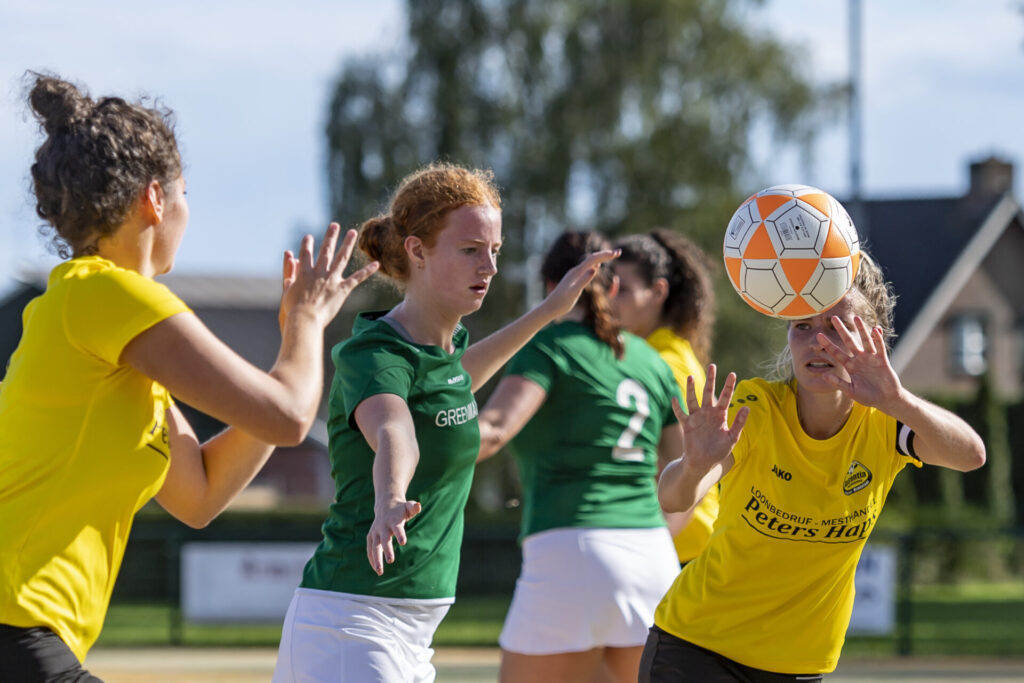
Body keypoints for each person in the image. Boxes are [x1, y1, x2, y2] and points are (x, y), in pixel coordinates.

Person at [0, 74, 378, 683]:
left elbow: (200, 494)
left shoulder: (106, 329)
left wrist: (293, 343)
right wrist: (306, 324)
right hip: (13, 630)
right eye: (185, 192)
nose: (186, 208)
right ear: (155, 198)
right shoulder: (107, 293)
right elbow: (286, 414)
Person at [271, 164, 617, 683]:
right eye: (471, 249)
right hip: (351, 621)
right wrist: (391, 498)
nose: (490, 266)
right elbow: (394, 430)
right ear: (417, 250)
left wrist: (547, 311)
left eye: (495, 250)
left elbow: (455, 383)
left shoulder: (444, 353)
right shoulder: (376, 352)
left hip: (415, 632)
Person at [641, 251, 986, 682]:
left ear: (870, 338)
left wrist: (898, 399)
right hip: (697, 649)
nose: (818, 341)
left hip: (799, 667)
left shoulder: (883, 423)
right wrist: (694, 464)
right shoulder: (758, 408)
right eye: (803, 326)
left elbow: (971, 455)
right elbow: (674, 498)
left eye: (836, 327)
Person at [474, 231, 684, 683]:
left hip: (570, 551)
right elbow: (685, 477)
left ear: (550, 289)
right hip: (652, 557)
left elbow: (491, 432)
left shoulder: (548, 347)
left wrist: (407, 445)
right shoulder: (650, 360)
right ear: (611, 288)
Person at [613, 229, 719, 565]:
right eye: (606, 288)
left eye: (623, 290)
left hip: (679, 551)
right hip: (678, 547)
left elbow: (690, 468)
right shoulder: (659, 353)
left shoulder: (664, 364)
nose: (609, 301)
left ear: (658, 291)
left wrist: (645, 548)